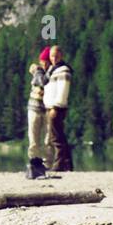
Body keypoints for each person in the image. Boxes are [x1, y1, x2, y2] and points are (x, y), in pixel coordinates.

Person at [43, 44, 73, 172]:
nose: (53, 58)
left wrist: (56, 106)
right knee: (58, 134)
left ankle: (59, 164)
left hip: (57, 107)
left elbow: (63, 90)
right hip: (50, 107)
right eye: (52, 56)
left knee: (56, 137)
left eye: (56, 55)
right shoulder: (53, 69)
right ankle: (67, 163)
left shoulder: (63, 70)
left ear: (61, 55)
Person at [26, 47, 51, 179]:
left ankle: (46, 166)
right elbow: (42, 81)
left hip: (46, 109)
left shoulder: (47, 71)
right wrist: (39, 69)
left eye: (46, 61)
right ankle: (34, 163)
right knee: (34, 138)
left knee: (48, 139)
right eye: (42, 61)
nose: (44, 64)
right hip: (34, 108)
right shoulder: (38, 72)